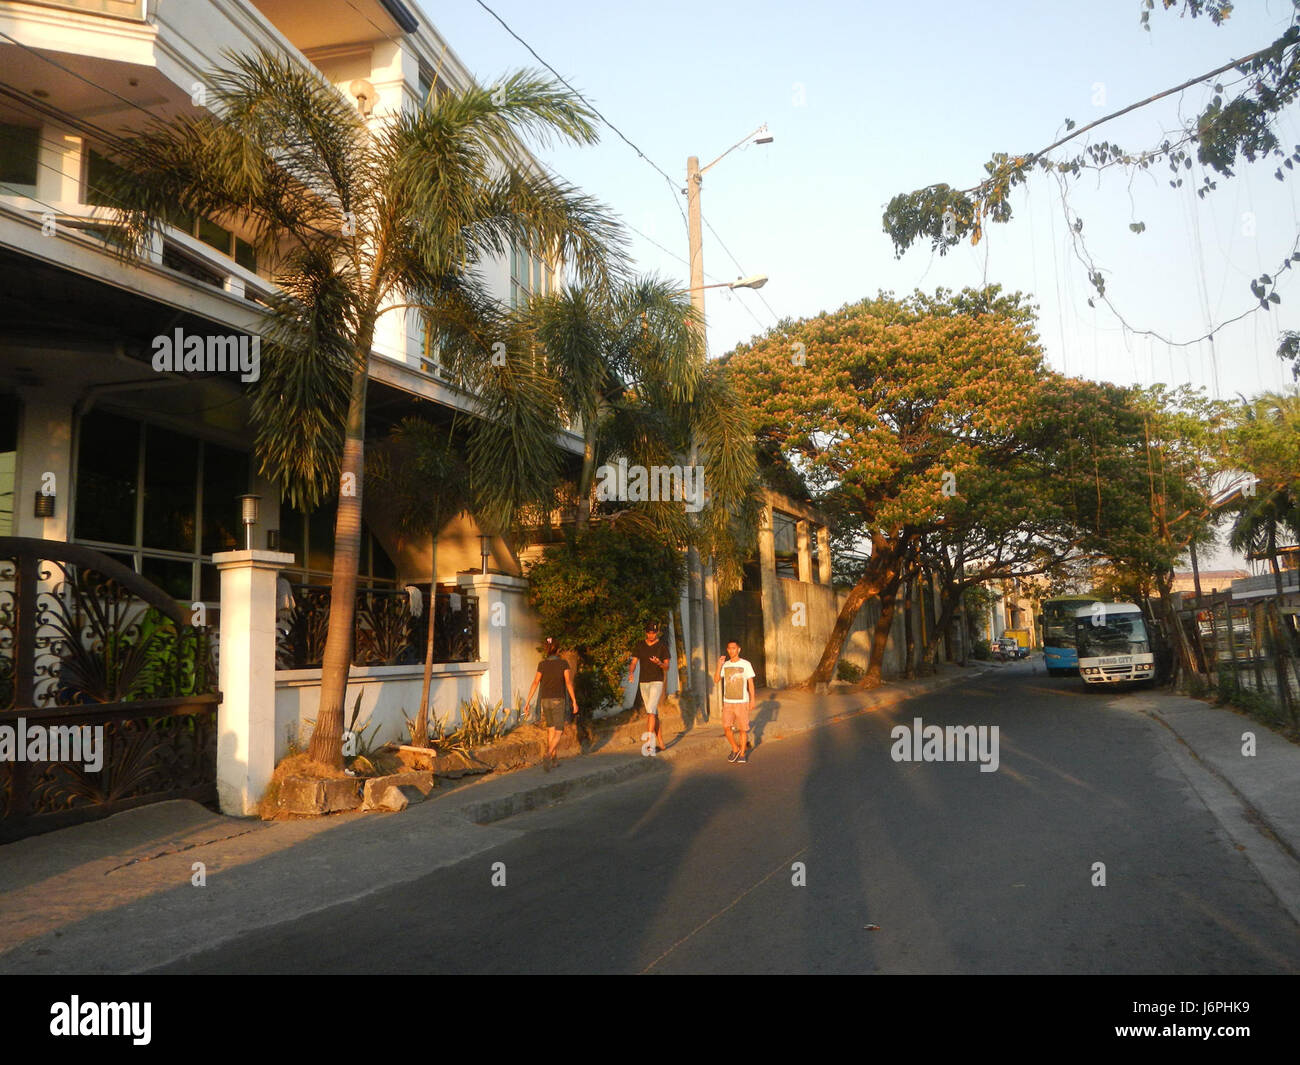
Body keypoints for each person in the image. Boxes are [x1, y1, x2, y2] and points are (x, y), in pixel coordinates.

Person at [525, 637, 579, 771]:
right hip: (558, 700)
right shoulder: (563, 664)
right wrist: (574, 700)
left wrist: (527, 702)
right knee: (559, 730)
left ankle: (554, 761)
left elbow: (535, 682)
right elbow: (568, 683)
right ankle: (549, 755)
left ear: (547, 650)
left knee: (550, 728)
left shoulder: (542, 664)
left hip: (545, 700)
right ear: (558, 650)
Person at [628, 623, 670, 754]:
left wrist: (659, 663)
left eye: (653, 632)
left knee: (651, 712)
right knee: (652, 712)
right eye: (649, 632)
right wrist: (631, 673)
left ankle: (649, 743)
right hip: (643, 682)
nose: (651, 635)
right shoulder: (640, 645)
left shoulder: (662, 646)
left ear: (657, 633)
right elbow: (634, 661)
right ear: (646, 632)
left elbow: (667, 666)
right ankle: (661, 742)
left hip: (657, 681)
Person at [715, 639, 756, 764]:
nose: (731, 650)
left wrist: (752, 700)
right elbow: (716, 680)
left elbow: (750, 683)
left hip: (742, 701)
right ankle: (735, 748)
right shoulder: (725, 665)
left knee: (743, 729)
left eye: (734, 648)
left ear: (739, 649)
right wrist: (719, 665)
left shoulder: (746, 664)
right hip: (728, 701)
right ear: (727, 650)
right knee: (726, 727)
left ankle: (742, 753)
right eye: (729, 648)